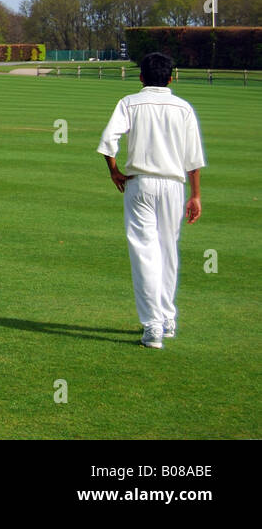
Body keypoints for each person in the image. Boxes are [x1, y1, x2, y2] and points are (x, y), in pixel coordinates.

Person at [97, 52, 206, 349]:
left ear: (141, 77)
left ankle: (153, 326)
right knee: (168, 250)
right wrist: (195, 195)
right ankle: (167, 319)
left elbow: (108, 142)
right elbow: (193, 159)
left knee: (145, 252)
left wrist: (114, 172)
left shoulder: (129, 102)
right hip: (173, 185)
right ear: (171, 77)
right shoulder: (183, 108)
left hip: (139, 184)